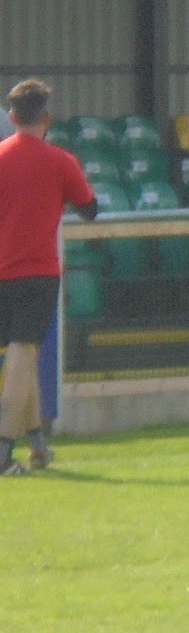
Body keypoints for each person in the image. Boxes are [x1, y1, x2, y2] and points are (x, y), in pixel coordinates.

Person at [0, 79, 98, 475]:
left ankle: (37, 445)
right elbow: (90, 209)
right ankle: (4, 453)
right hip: (37, 273)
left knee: (25, 358)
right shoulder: (61, 160)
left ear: (11, 116)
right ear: (47, 118)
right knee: (22, 357)